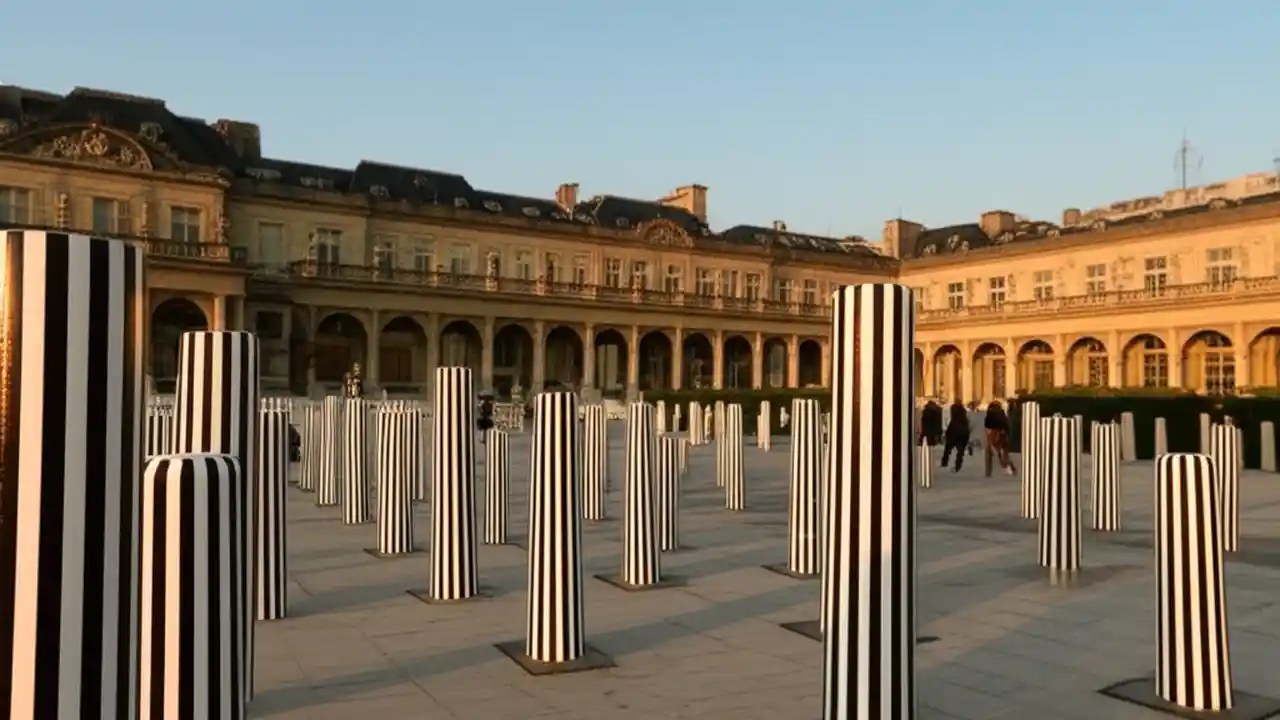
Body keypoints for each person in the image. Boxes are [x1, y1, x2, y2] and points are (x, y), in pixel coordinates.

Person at [984, 401, 1016, 477]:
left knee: (989, 454)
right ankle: (1009, 467)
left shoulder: (989, 414)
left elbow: (986, 425)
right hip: (1002, 434)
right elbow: (1006, 425)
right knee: (1004, 453)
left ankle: (988, 471)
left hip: (993, 434)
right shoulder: (1002, 414)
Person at [940, 401, 970, 471]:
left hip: (954, 433)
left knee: (947, 449)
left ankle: (944, 462)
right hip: (962, 433)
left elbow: (951, 425)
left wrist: (946, 434)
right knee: (960, 451)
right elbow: (967, 426)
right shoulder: (964, 416)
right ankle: (958, 465)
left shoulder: (955, 416)